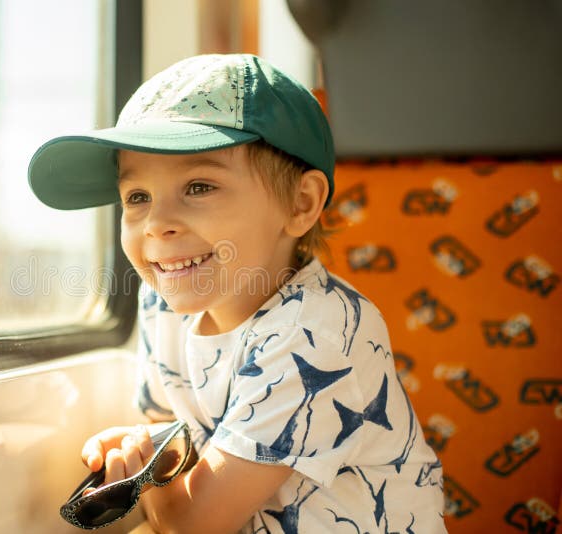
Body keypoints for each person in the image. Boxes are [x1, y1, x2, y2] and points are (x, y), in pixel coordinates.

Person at [28, 54, 445, 533]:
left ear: (301, 203)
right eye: (137, 197)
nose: (157, 223)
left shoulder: (316, 331)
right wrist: (141, 449)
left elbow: (192, 526)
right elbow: (172, 429)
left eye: (198, 186)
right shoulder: (163, 305)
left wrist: (146, 477)